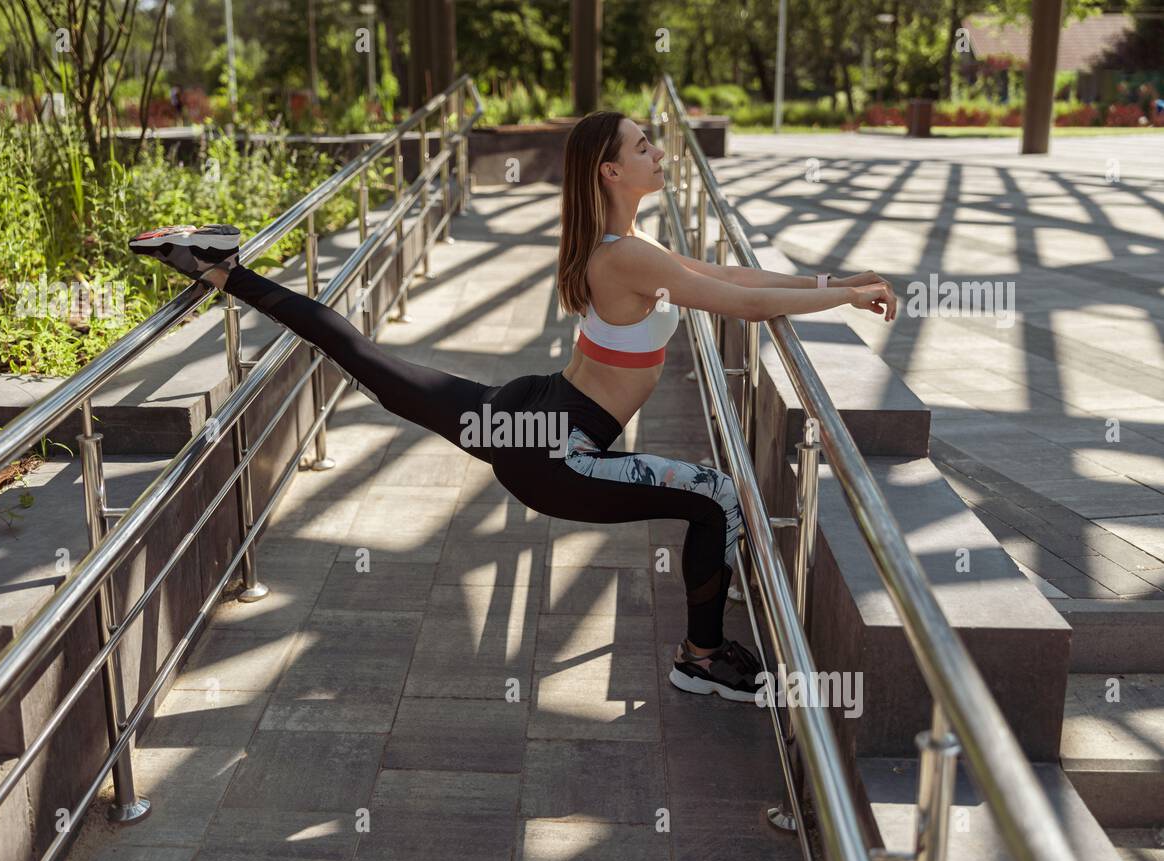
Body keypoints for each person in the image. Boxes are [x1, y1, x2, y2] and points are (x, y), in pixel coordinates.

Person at [128, 111, 898, 702]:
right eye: (643, 148)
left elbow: (734, 277)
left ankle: (222, 272)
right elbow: (742, 304)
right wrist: (847, 294)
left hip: (535, 412)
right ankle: (700, 658)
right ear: (608, 171)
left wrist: (837, 278)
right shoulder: (626, 255)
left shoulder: (624, 244)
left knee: (378, 369)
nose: (659, 153)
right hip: (558, 449)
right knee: (716, 497)